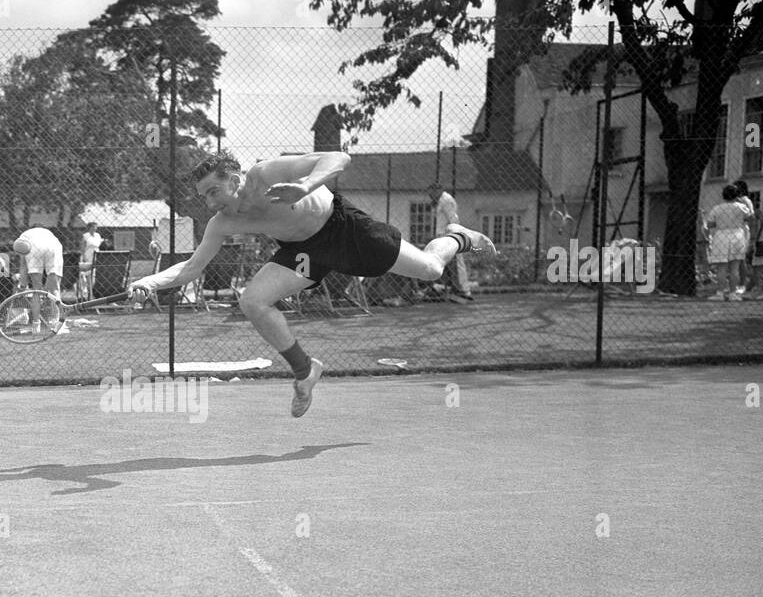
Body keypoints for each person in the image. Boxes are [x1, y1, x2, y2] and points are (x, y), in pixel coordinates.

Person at [127, 151, 495, 416]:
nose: (208, 203)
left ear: (235, 181)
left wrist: (305, 184)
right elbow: (191, 268)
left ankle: (459, 237)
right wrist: (149, 281)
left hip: (344, 229)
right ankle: (305, 370)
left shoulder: (266, 173)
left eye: (212, 192)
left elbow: (339, 158)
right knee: (253, 301)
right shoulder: (222, 223)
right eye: (203, 195)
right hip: (303, 251)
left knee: (431, 268)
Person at [11, 226, 68, 334]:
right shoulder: (44, 234)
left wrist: (22, 287)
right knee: (55, 289)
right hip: (53, 247)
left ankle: (36, 326)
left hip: (34, 249)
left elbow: (23, 266)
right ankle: (58, 324)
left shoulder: (22, 241)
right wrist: (47, 288)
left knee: (36, 290)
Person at [702, 183, 751, 301]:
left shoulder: (717, 208)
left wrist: (720, 222)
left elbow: (709, 224)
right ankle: (733, 293)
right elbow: (749, 217)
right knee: (735, 267)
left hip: (721, 235)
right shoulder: (741, 207)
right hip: (737, 234)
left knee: (721, 267)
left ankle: (720, 293)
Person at [428, 183, 474, 302]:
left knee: (457, 263)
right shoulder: (438, 201)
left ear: (438, 190)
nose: (430, 195)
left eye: (431, 192)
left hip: (450, 236)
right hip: (442, 237)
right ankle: (451, 288)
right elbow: (438, 219)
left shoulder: (446, 200)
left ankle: (464, 290)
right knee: (444, 263)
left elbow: (453, 219)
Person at [732, 180, 755, 295]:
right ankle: (735, 284)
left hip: (742, 230)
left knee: (741, 259)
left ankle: (742, 284)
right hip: (735, 230)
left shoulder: (745, 201)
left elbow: (749, 217)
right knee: (735, 258)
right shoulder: (736, 201)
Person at [78, 222, 105, 301]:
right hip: (87, 257)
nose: (94, 228)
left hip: (96, 257)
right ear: (89, 228)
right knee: (85, 276)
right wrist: (83, 257)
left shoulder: (98, 235)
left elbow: (99, 244)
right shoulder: (85, 236)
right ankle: (84, 295)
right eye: (93, 227)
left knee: (93, 277)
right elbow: (82, 247)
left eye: (95, 227)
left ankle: (92, 294)